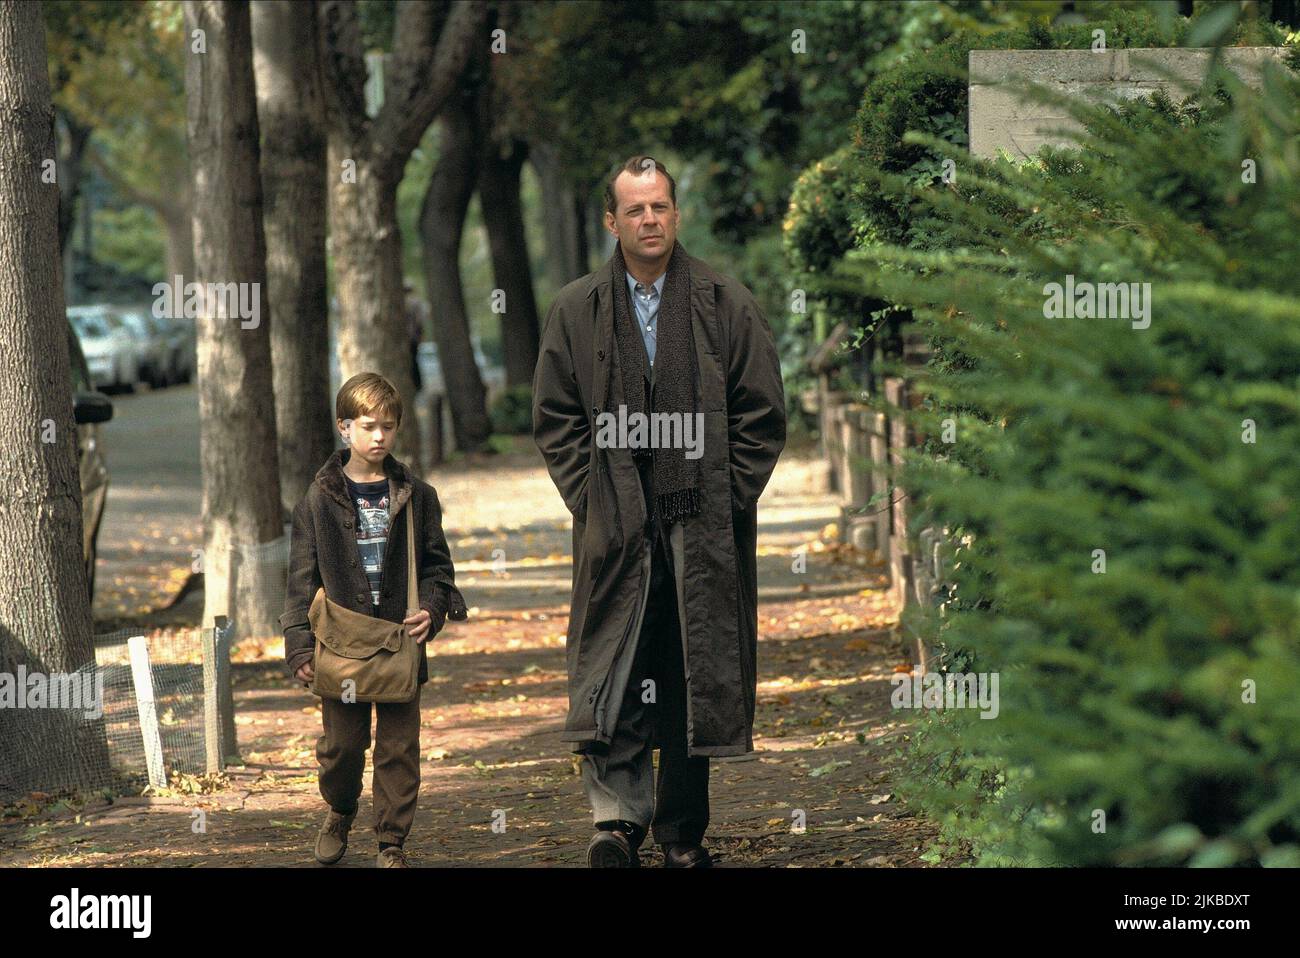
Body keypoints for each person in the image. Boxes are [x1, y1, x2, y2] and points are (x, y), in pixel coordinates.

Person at [532, 155, 786, 867]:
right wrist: (594, 498)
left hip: (698, 529)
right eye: (635, 210)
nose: (649, 220)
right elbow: (556, 417)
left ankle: (680, 833)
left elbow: (762, 415)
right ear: (612, 220)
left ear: (678, 214)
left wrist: (722, 498)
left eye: (660, 207)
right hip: (615, 528)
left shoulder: (723, 301)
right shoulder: (576, 308)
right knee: (615, 664)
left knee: (687, 673)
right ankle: (615, 823)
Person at [281, 372, 466, 867]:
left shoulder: (418, 495)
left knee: (399, 749)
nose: (379, 436)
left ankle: (391, 843)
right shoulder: (318, 499)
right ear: (345, 429)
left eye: (388, 426)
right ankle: (341, 808)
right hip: (341, 646)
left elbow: (438, 566)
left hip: (401, 643)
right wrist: (298, 645)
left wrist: (431, 608)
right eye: (367, 426)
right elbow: (300, 579)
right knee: (342, 748)